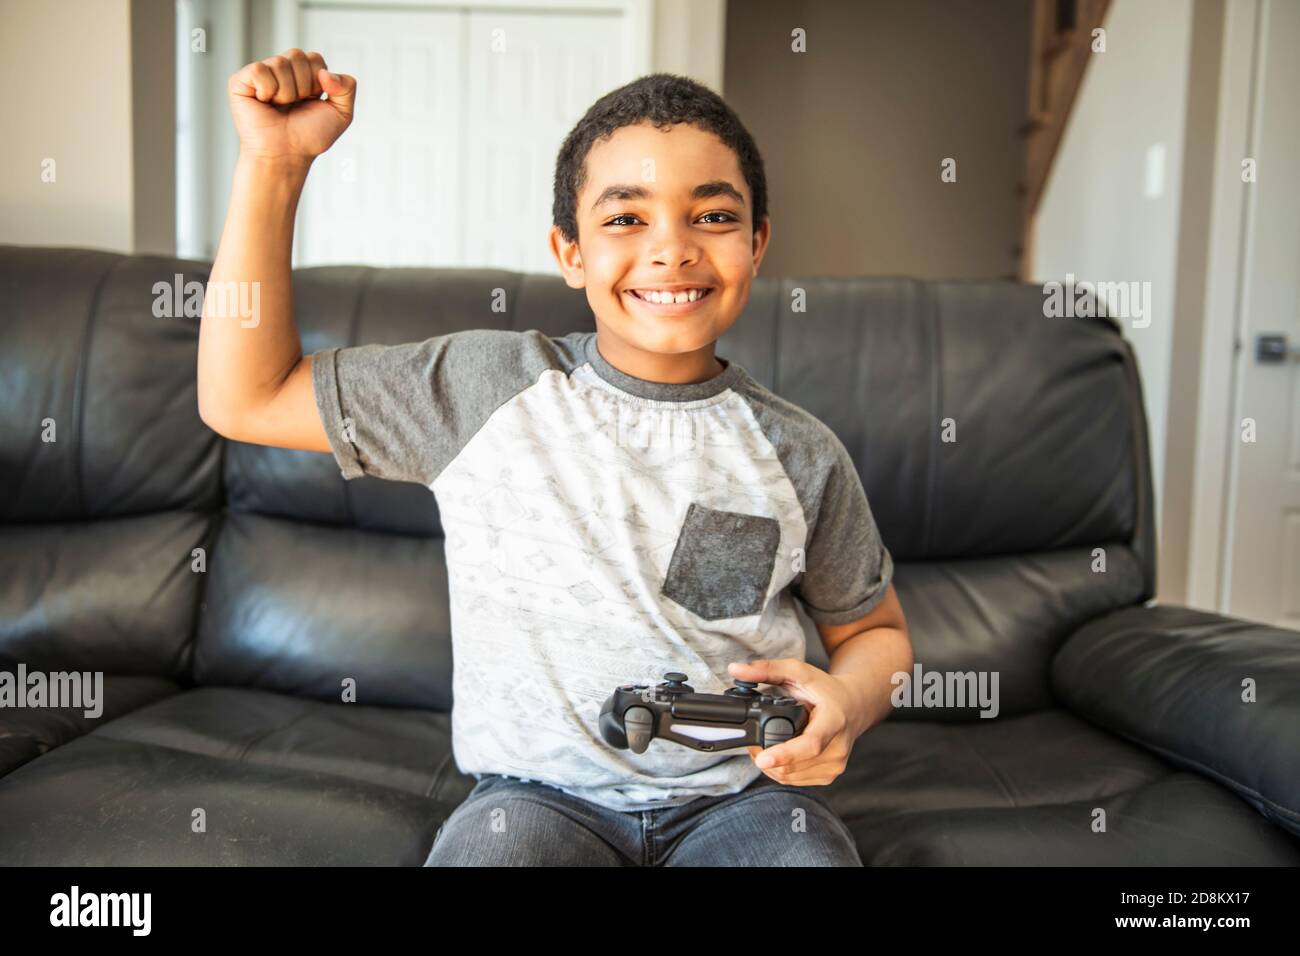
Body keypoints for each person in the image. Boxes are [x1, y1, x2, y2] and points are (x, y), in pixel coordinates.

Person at [198, 49, 912, 866]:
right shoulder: (480, 391)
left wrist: (848, 705)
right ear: (569, 251)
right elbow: (243, 398)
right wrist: (276, 163)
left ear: (758, 242)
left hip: (742, 801)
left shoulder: (799, 452)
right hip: (533, 803)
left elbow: (877, 635)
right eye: (625, 218)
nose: (672, 250)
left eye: (712, 217)